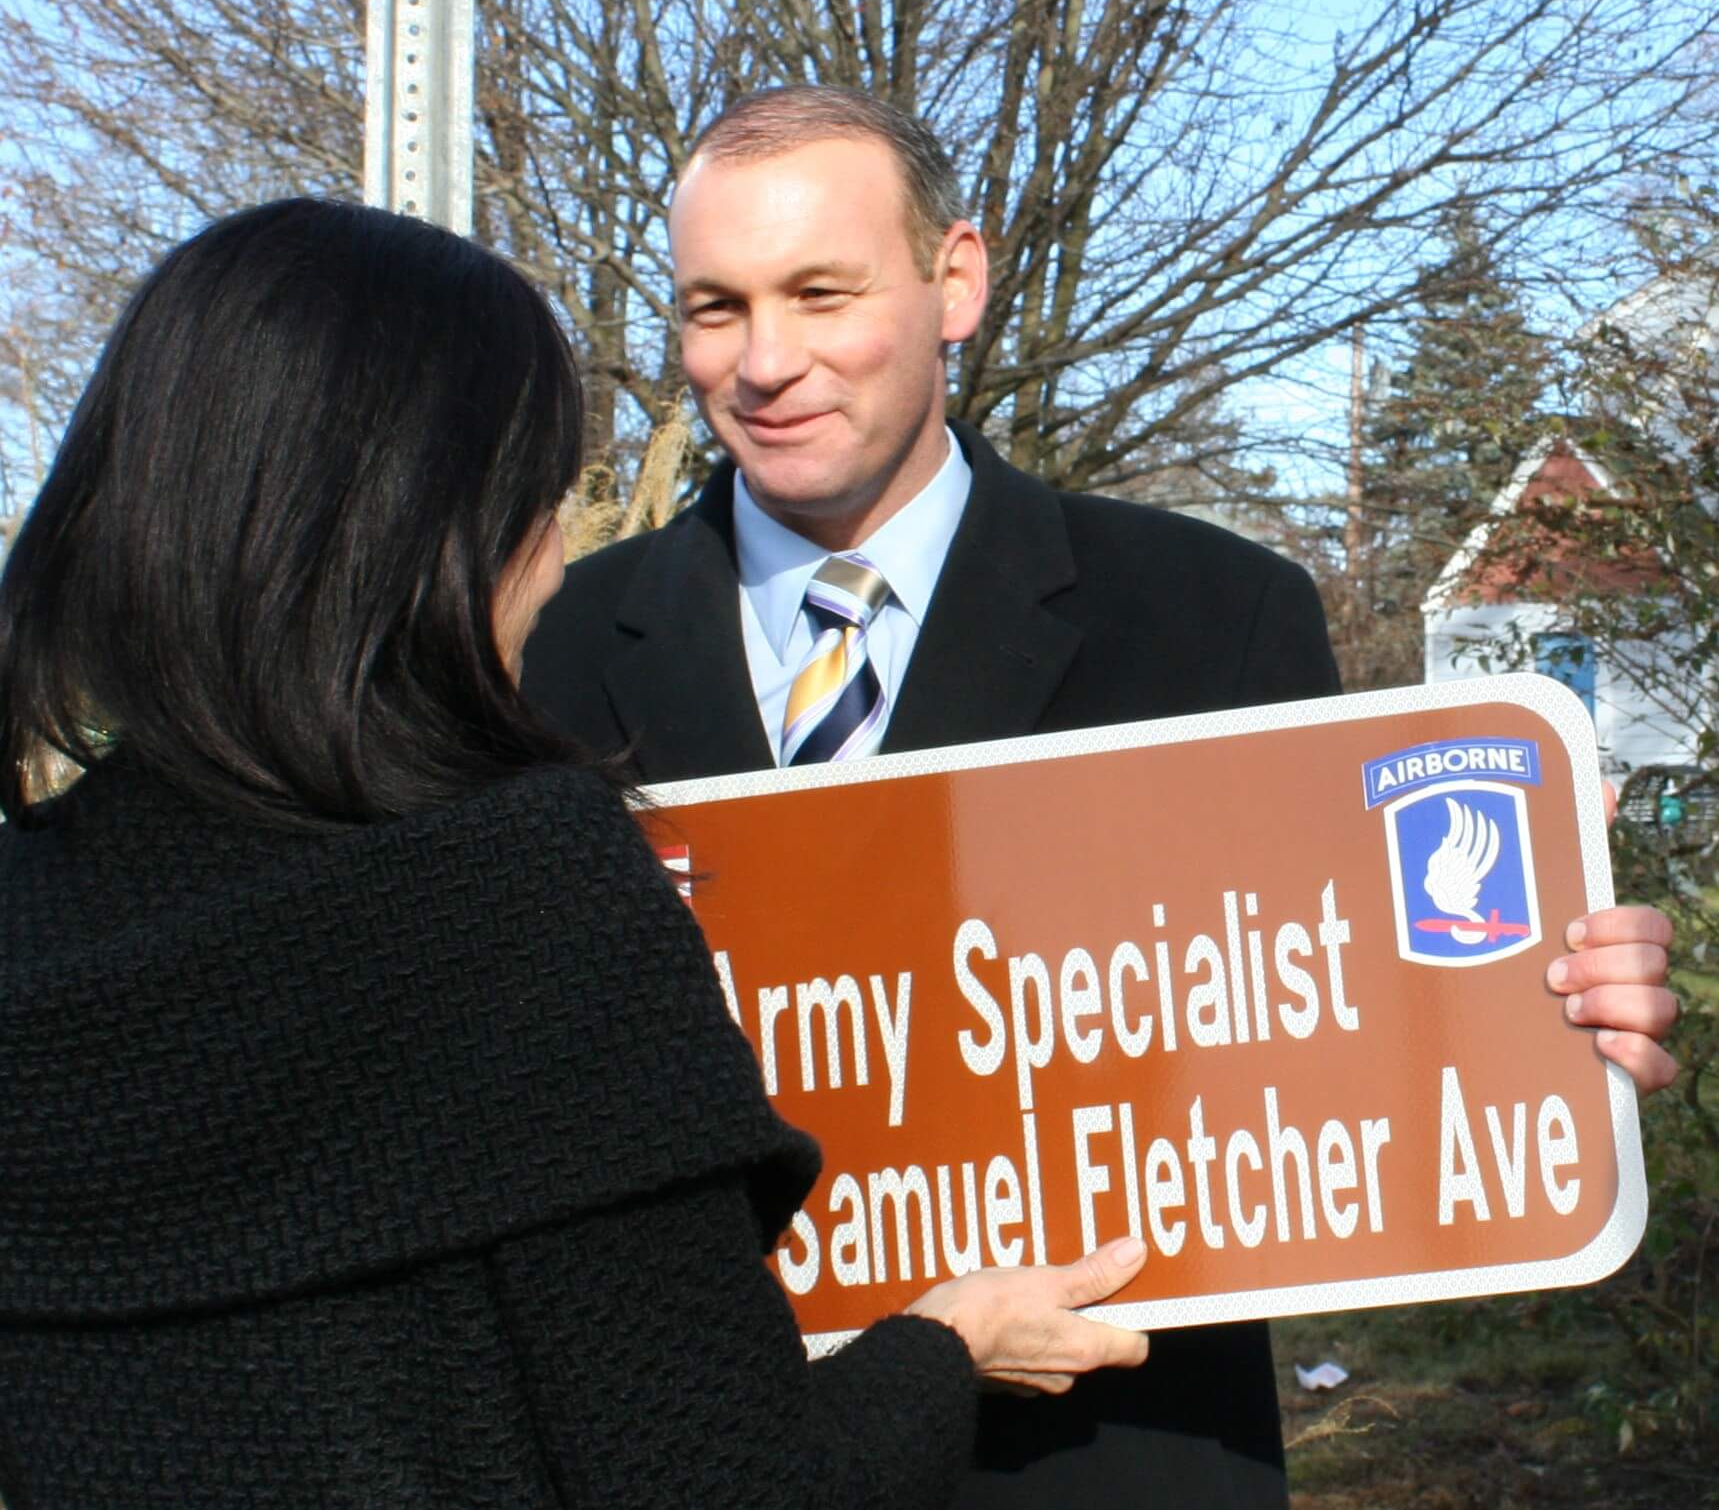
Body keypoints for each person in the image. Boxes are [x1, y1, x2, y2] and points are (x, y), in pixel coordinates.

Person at [523, 85, 1681, 1508]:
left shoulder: (1216, 619)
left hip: (1113, 1463)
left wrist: (1546, 1013)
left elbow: (1352, 1033)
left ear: (955, 281)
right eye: (716, 307)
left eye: (822, 293)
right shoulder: (546, 658)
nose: (765, 361)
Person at [0, 198, 1155, 1510]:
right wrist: (947, 1348)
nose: (553, 574)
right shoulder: (517, 903)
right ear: (421, 533)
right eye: (537, 505)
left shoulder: (32, 912)